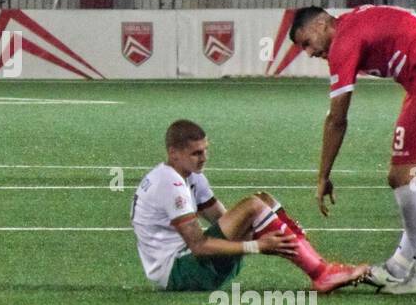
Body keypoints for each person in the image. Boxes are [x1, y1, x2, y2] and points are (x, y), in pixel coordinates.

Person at [289, 4, 416, 295]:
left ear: (321, 24)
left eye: (306, 43)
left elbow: (337, 120)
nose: (310, 53)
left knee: (401, 175)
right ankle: (400, 266)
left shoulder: (343, 40)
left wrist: (322, 176)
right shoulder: (356, 23)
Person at [131, 119, 369, 293]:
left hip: (190, 267)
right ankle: (321, 273)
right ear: (173, 153)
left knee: (262, 200)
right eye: (196, 153)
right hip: (178, 274)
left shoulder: (192, 176)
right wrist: (257, 245)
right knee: (254, 206)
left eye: (205, 150)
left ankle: (321, 269)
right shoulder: (170, 184)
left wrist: (272, 229)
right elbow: (199, 246)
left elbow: (224, 220)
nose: (203, 158)